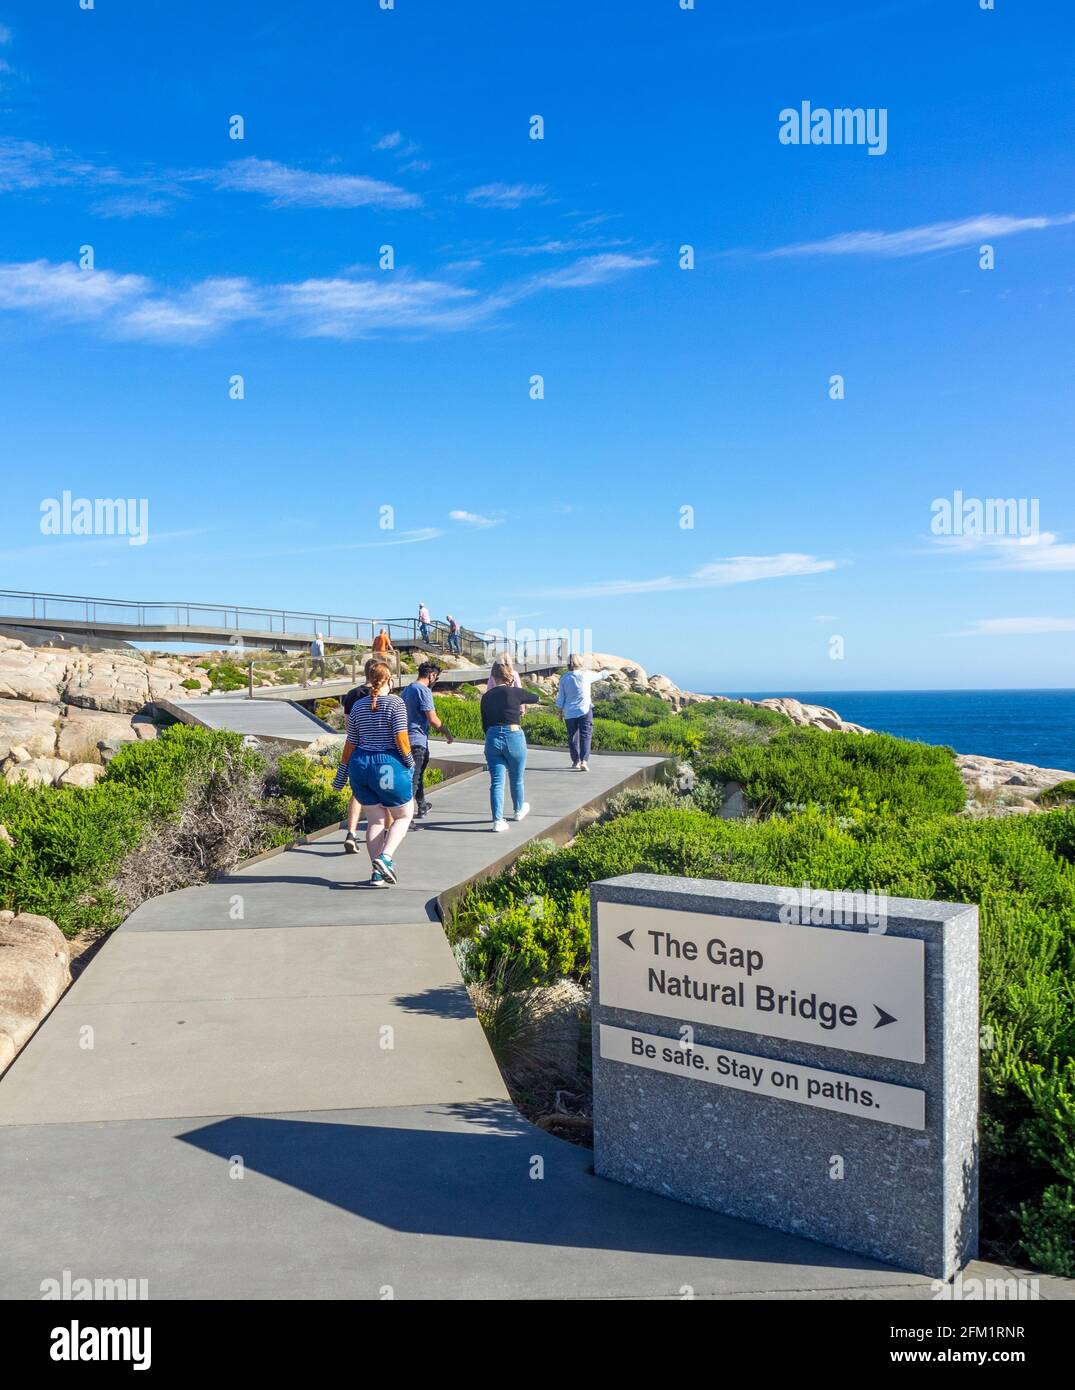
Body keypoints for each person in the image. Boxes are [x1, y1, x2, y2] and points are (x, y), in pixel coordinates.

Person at [332, 660, 414, 887]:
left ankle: (377, 874)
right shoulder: (396, 703)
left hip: (360, 766)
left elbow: (351, 741)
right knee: (404, 815)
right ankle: (386, 859)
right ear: (389, 679)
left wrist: (341, 772)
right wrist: (409, 762)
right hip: (387, 764)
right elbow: (401, 738)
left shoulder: (358, 706)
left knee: (375, 821)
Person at [480, 659, 539, 832]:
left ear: (493, 676)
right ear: (509, 675)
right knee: (517, 778)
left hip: (492, 737)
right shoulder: (514, 692)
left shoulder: (486, 697)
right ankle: (518, 810)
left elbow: (484, 723)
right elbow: (536, 697)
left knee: (497, 782)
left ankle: (497, 821)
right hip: (513, 735)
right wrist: (515, 686)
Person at [401, 661, 454, 825]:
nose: (435, 681)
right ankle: (405, 818)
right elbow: (432, 719)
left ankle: (422, 805)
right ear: (431, 675)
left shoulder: (407, 690)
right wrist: (447, 732)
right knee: (414, 779)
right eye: (436, 678)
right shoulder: (424, 691)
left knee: (416, 774)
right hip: (417, 740)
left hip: (404, 740)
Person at [339, 657, 381, 854]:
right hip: (380, 750)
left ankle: (351, 832)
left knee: (357, 793)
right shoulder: (383, 695)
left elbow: (348, 726)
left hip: (356, 750)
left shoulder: (351, 695)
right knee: (383, 794)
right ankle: (386, 833)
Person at [554, 653, 611, 771]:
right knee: (586, 735)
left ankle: (576, 761)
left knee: (572, 737)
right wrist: (608, 671)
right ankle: (584, 761)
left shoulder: (564, 678)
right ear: (580, 663)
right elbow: (600, 675)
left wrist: (559, 711)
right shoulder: (586, 675)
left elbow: (561, 697)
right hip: (584, 710)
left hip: (569, 712)